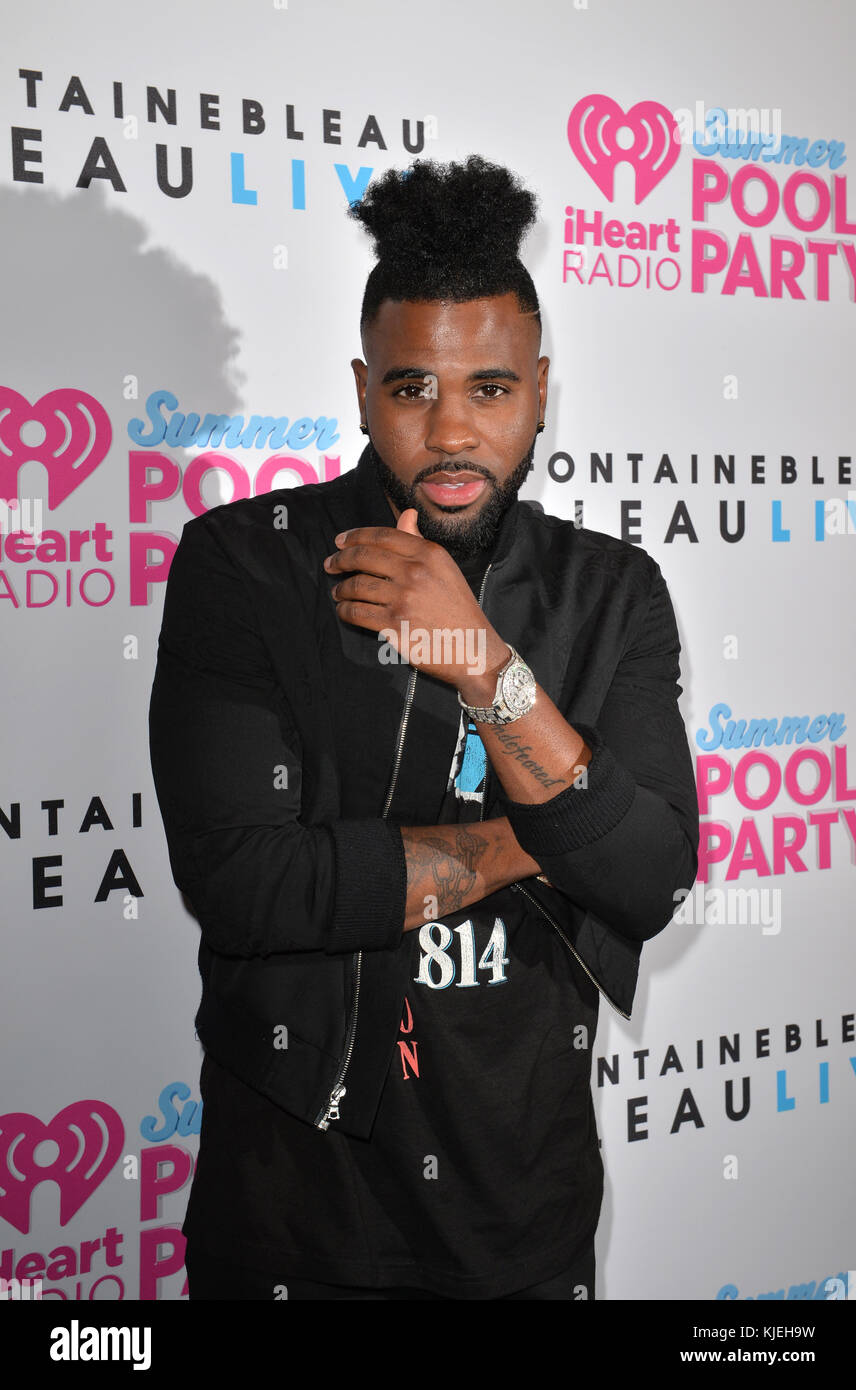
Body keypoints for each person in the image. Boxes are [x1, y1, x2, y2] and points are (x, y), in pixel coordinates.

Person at [148, 155, 698, 1301]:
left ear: (541, 389)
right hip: (296, 1216)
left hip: (523, 1217)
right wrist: (546, 828)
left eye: (490, 391)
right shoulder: (247, 564)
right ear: (361, 390)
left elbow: (648, 878)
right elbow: (246, 883)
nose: (452, 433)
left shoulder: (612, 591)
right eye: (412, 390)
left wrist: (481, 665)